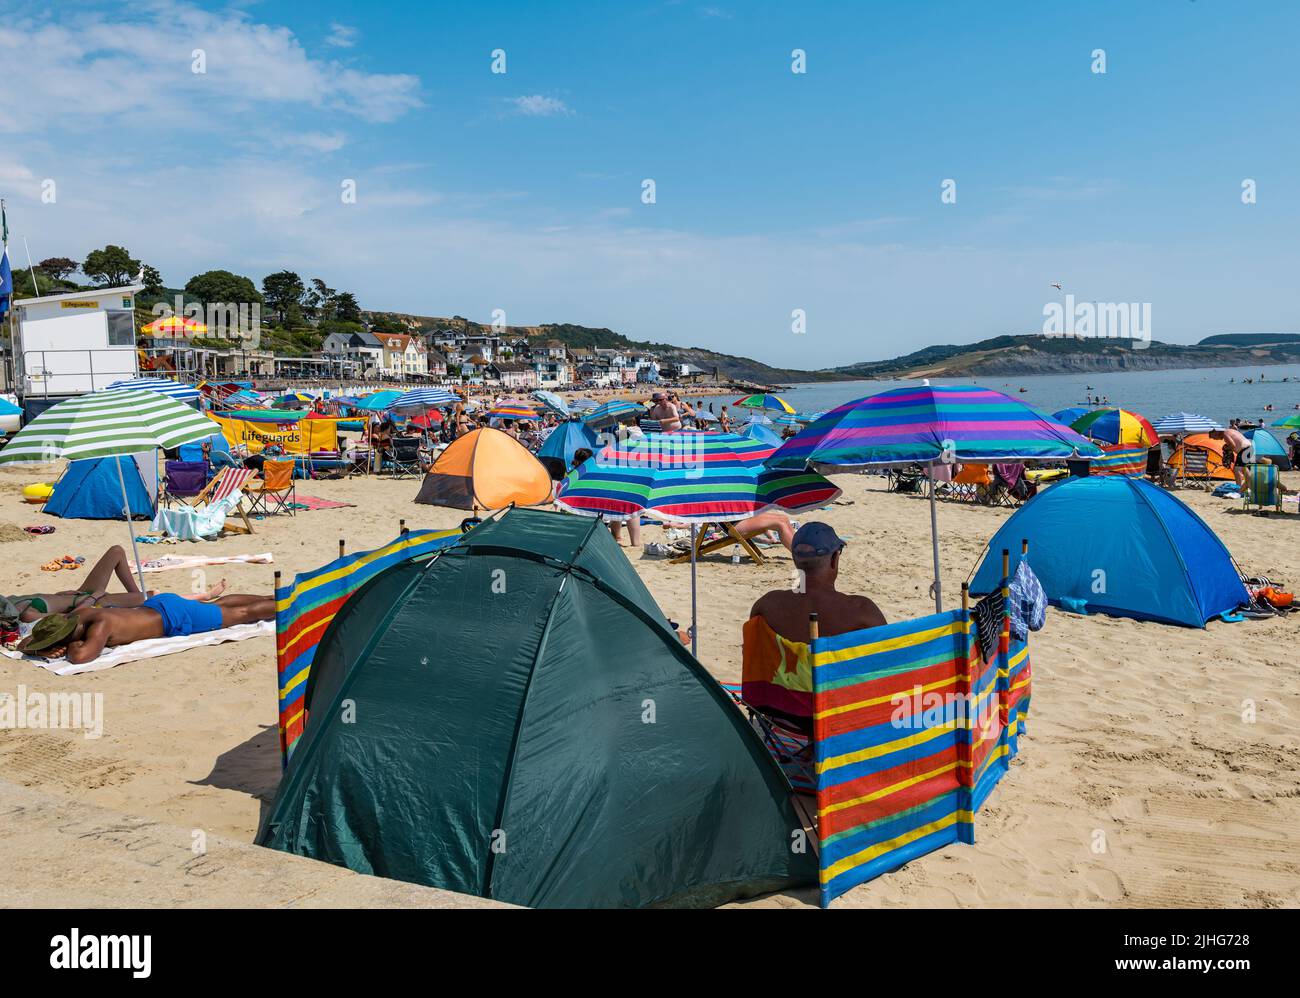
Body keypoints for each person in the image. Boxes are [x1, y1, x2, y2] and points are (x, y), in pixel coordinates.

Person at [20, 592, 276, 665]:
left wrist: (67, 647)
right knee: (217, 605)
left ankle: (282, 603)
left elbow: (80, 657)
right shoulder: (78, 615)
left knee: (237, 615)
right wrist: (42, 647)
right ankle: (267, 598)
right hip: (159, 604)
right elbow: (25, 641)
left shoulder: (101, 625)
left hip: (172, 616)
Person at [7, 545, 228, 622]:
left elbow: (55, 601)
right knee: (154, 594)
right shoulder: (26, 615)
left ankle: (140, 600)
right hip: (93, 603)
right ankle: (202, 597)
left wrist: (63, 593)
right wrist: (94, 597)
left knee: (116, 551)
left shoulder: (12, 602)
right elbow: (68, 618)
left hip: (81, 593)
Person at [749, 522, 886, 643]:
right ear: (834, 559)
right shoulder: (862, 611)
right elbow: (890, 664)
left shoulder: (766, 606)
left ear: (795, 559)